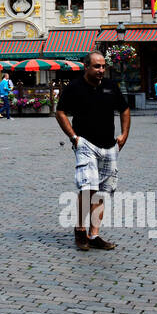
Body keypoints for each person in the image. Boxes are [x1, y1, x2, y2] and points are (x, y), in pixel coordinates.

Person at [55, 51, 130, 251]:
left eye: (103, 66)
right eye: (97, 66)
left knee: (103, 193)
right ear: (86, 66)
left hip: (110, 146)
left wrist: (124, 134)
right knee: (88, 188)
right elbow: (60, 112)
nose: (101, 70)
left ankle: (94, 235)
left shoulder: (110, 86)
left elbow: (124, 109)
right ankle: (80, 231)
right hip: (86, 144)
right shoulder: (74, 87)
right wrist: (74, 137)